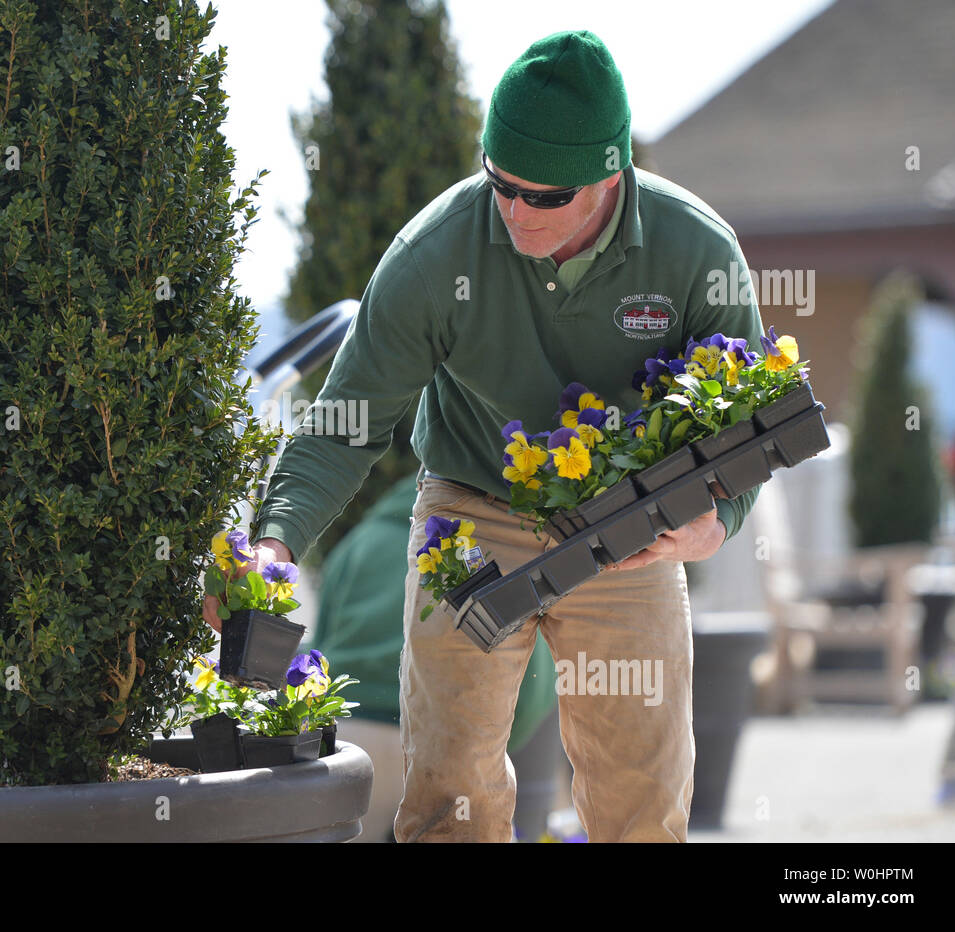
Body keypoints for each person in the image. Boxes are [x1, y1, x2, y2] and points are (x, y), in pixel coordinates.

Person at [205, 29, 765, 842]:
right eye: (501, 184)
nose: (514, 209)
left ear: (610, 174)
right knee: (451, 779)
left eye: (544, 196)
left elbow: (746, 418)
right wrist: (278, 540)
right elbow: (346, 422)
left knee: (640, 784)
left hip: (630, 522)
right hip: (472, 510)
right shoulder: (435, 255)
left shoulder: (696, 250)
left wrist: (720, 519)